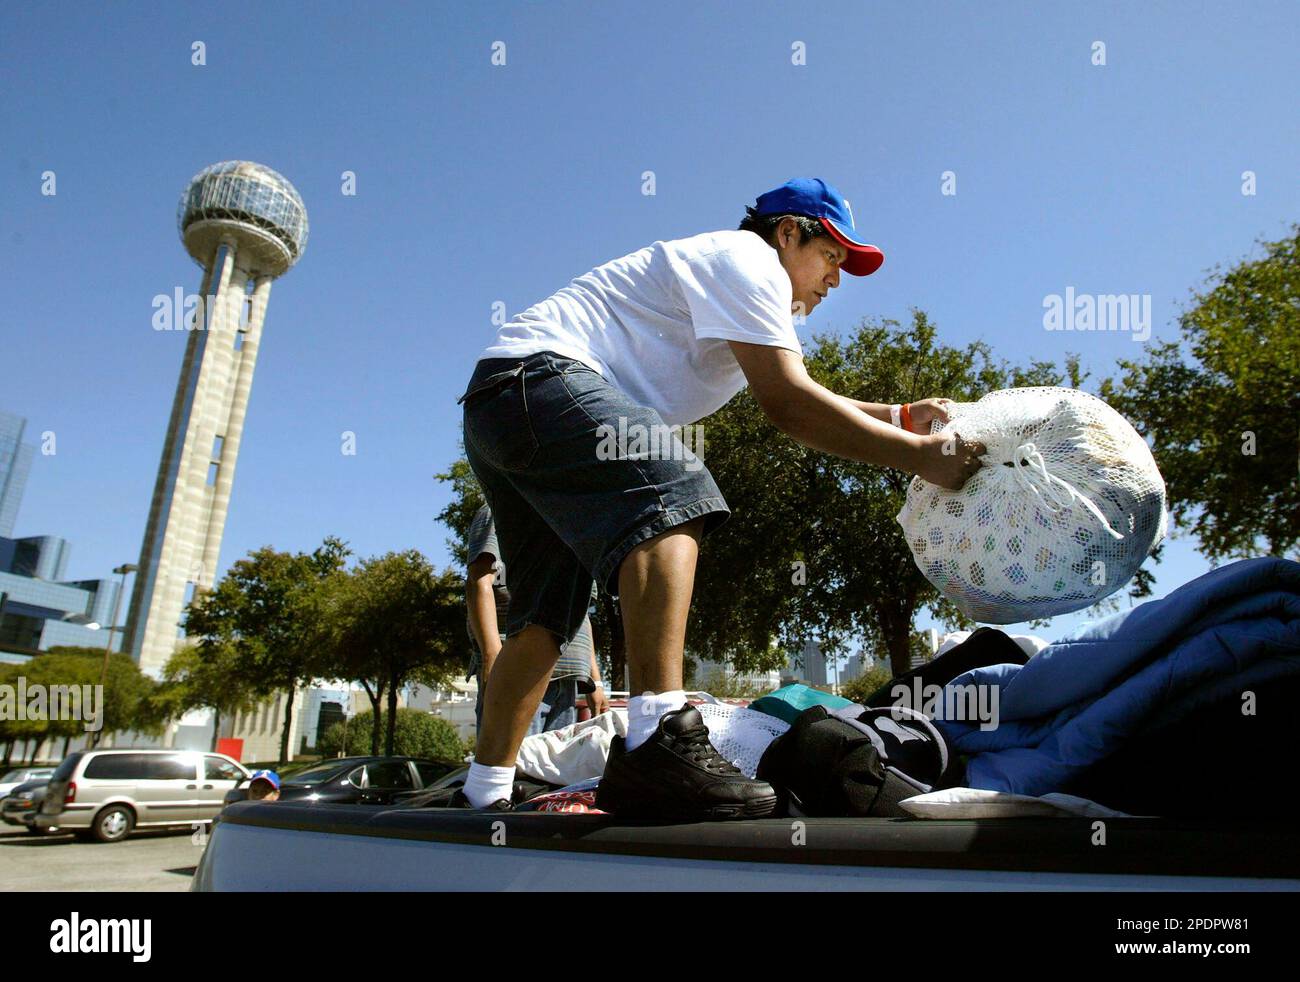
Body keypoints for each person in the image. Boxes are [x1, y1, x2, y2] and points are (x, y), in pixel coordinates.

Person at [456, 177, 984, 819]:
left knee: (546, 615)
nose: (834, 281)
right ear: (788, 232)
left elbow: (798, 391)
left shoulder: (736, 300)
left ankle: (484, 792)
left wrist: (900, 416)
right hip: (541, 381)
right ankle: (657, 740)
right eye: (831, 258)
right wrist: (925, 459)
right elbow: (789, 404)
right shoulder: (749, 261)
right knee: (672, 488)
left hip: (503, 404)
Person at [465, 502, 609, 735]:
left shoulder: (575, 524)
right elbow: (479, 582)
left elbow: (579, 612)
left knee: (552, 768)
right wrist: (492, 655)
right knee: (509, 765)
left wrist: (595, 680)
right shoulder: (502, 506)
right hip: (518, 669)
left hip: (567, 677)